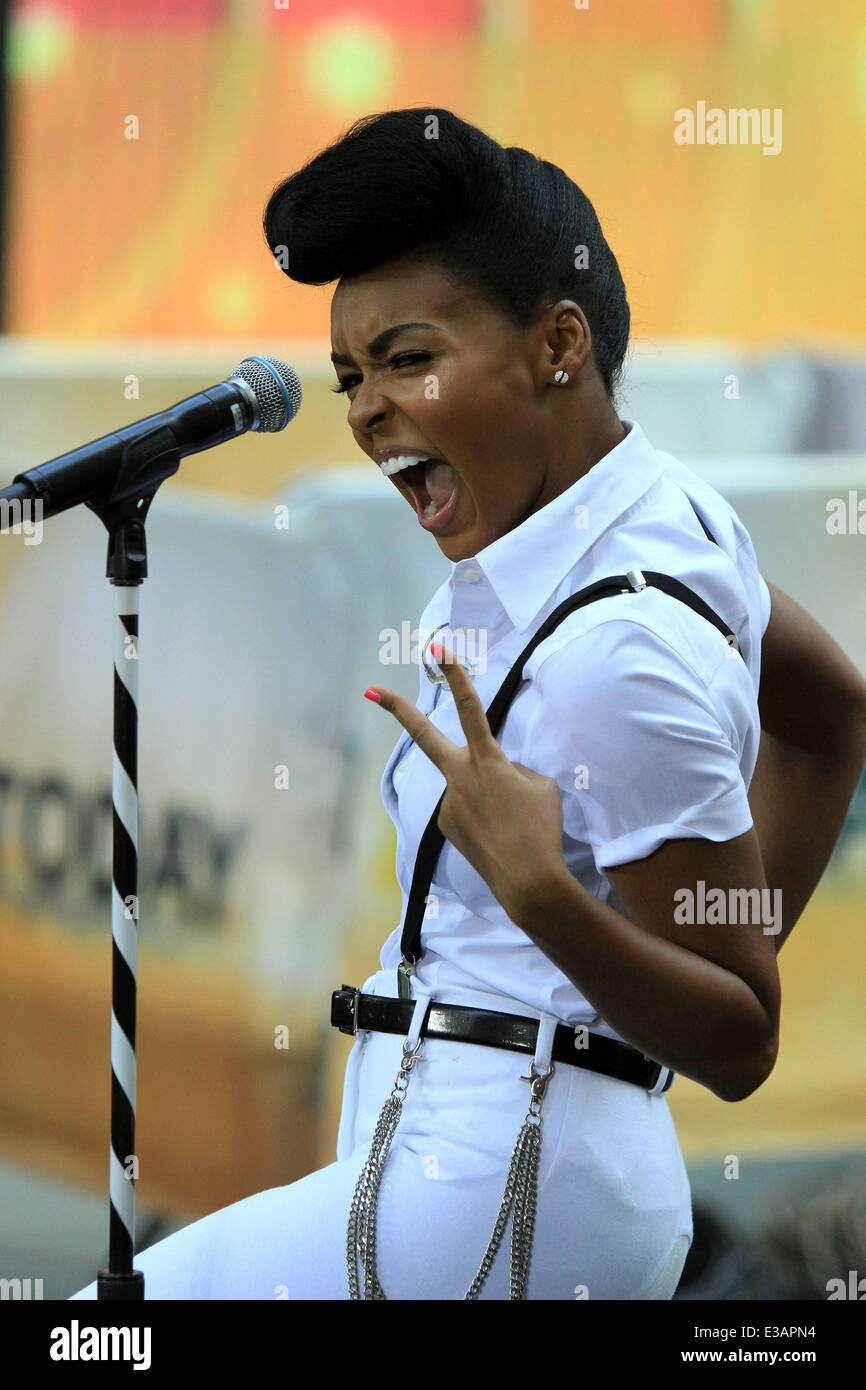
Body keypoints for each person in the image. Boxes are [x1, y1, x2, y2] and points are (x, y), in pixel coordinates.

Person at [70, 107, 866, 1301]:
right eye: (349, 374)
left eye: (405, 357)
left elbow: (741, 1037)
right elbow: (834, 718)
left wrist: (552, 901)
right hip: (499, 1177)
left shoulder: (614, 651)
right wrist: (624, 995)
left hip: (497, 1194)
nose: (365, 409)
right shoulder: (653, 517)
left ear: (557, 341)